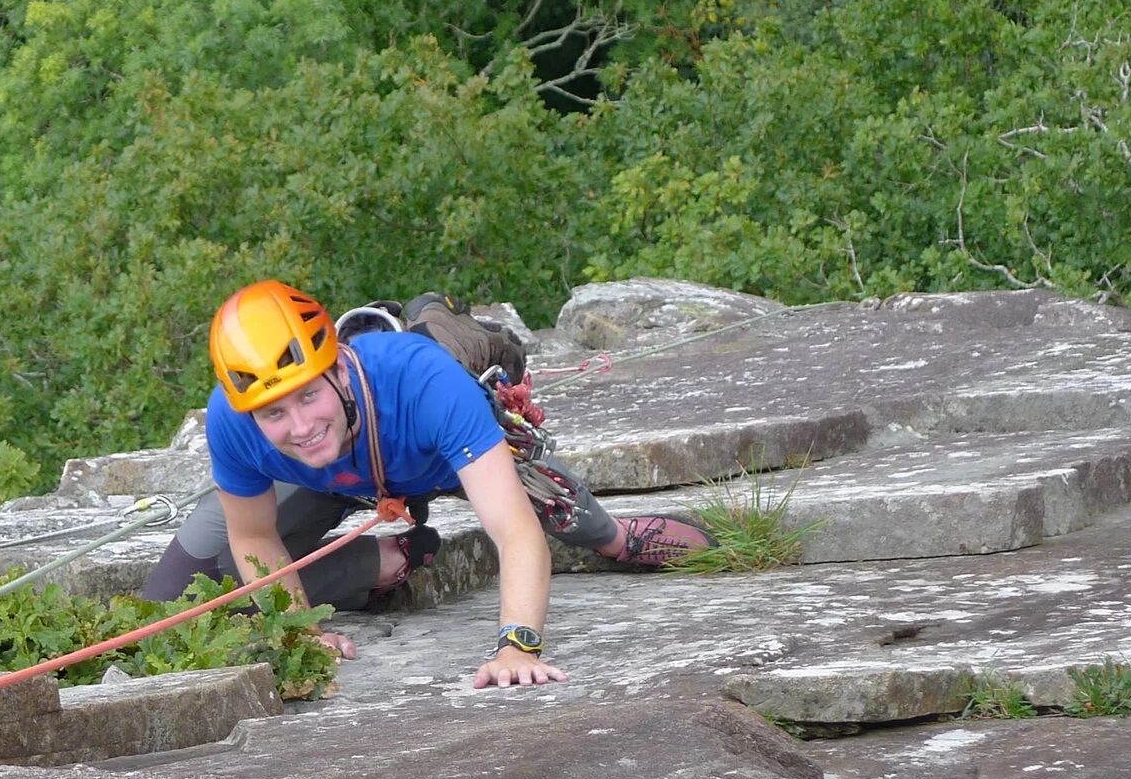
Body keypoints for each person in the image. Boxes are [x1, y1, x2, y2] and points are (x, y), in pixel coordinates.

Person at [141, 280, 713, 688]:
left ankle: (618, 535)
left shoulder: (423, 383)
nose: (300, 427)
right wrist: (298, 630)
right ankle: (386, 560)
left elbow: (512, 531)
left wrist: (518, 644)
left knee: (586, 530)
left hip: (437, 455)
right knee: (172, 599)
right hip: (329, 480)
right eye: (273, 414)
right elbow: (253, 539)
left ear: (339, 367)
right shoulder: (233, 422)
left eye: (309, 395)